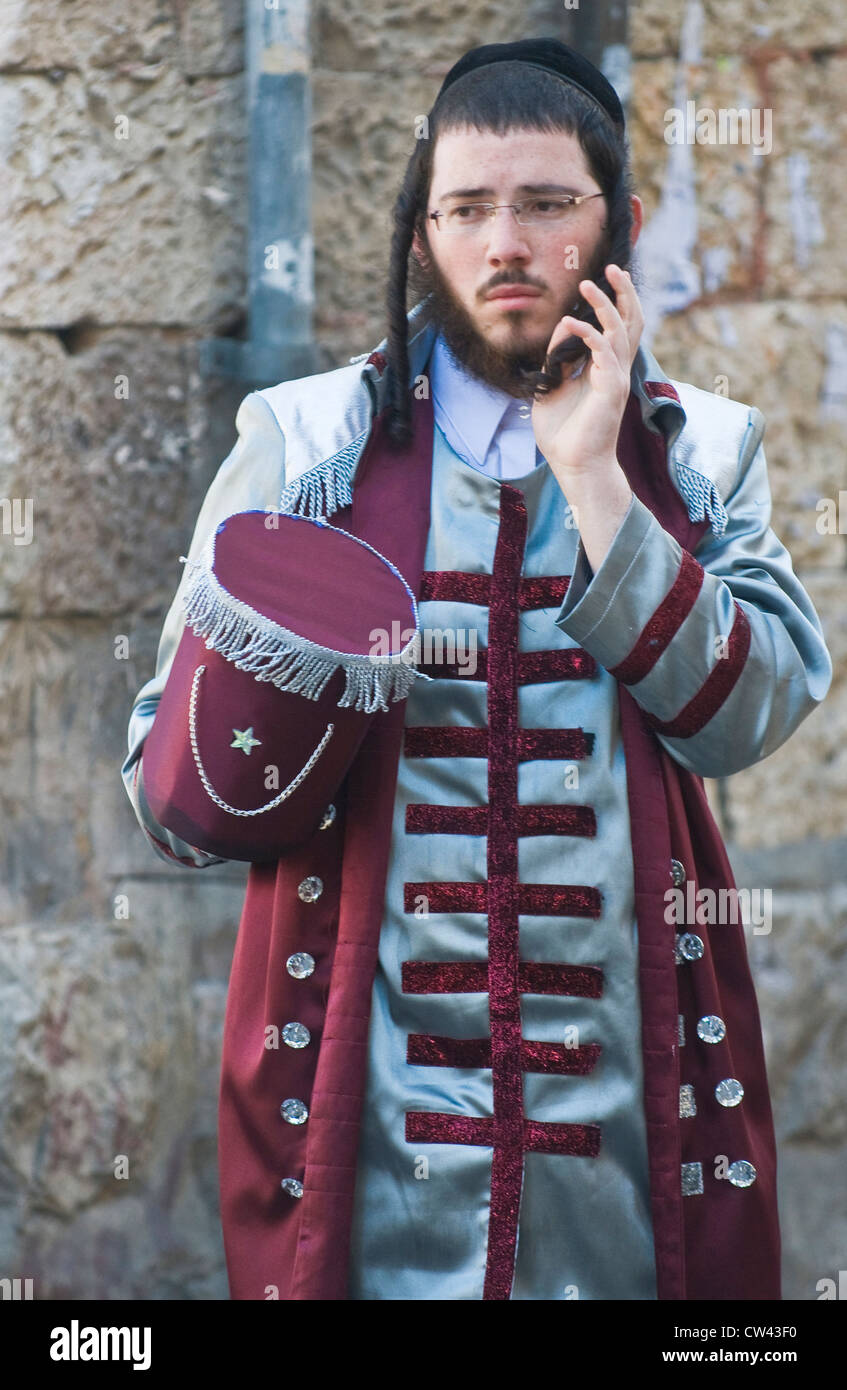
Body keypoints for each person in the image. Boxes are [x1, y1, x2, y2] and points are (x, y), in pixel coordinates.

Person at [122, 39, 832, 1300]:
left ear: (612, 223)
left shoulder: (697, 447)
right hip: (358, 1104)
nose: (505, 242)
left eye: (547, 203)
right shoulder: (307, 445)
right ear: (421, 232)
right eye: (466, 208)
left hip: (628, 1116)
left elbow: (755, 708)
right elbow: (164, 789)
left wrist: (598, 478)